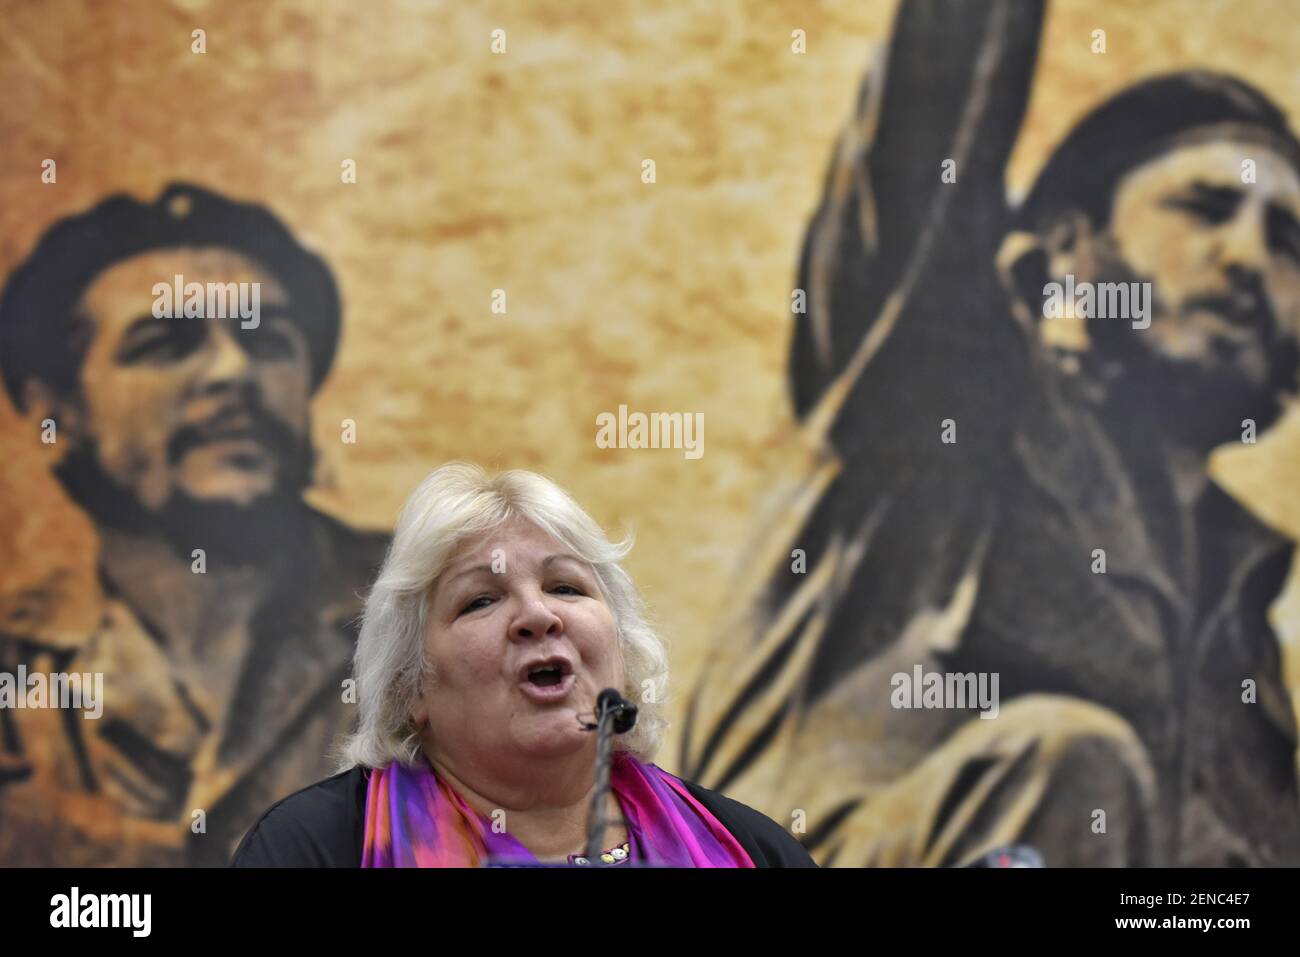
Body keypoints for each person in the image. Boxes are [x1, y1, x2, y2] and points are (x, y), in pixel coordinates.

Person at [680, 0, 1300, 866]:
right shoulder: (938, 394)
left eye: (1287, 239)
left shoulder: (1240, 616)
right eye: (1205, 206)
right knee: (1065, 758)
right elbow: (933, 116)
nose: (1246, 257)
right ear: (1062, 254)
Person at [0, 183, 389, 865]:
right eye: (165, 343)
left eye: (265, 340)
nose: (233, 370)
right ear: (55, 406)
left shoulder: (433, 611)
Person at [232, 462, 816, 867]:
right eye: (480, 600)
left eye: (565, 587)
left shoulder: (752, 849)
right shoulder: (314, 848)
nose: (537, 616)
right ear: (412, 688)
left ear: (620, 649)